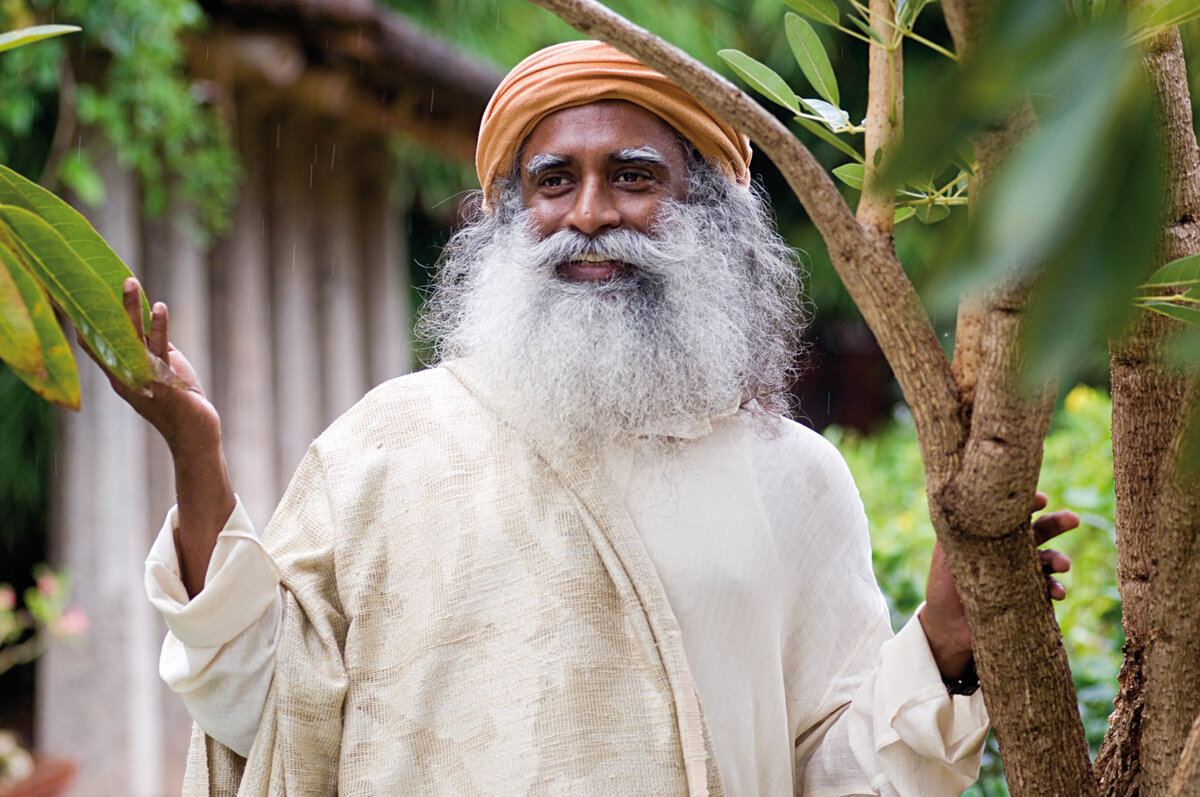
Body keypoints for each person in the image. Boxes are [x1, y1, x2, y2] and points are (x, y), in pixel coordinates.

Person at [94, 41, 1075, 796]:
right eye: (555, 180)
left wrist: (946, 641)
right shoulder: (387, 446)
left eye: (635, 176)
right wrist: (199, 462)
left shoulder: (795, 479)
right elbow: (266, 710)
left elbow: (842, 772)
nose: (591, 212)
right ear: (506, 216)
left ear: (710, 210)